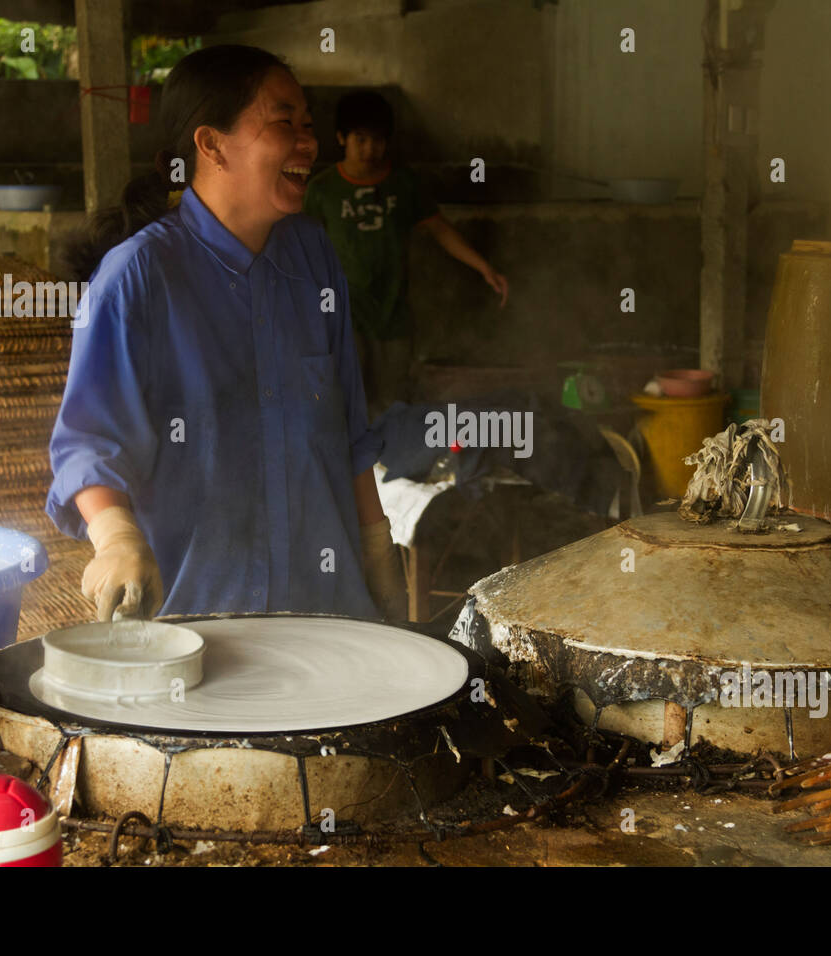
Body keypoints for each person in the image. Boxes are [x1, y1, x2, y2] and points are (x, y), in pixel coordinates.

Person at [47, 46, 406, 623]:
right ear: (211, 145)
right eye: (284, 121)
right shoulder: (138, 277)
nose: (308, 143)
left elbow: (349, 428)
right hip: (200, 629)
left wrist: (375, 542)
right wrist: (115, 535)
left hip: (328, 618)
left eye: (308, 124)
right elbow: (87, 443)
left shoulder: (314, 257)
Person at [302, 91, 508, 416]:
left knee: (394, 400)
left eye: (379, 140)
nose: (371, 149)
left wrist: (484, 267)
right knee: (348, 396)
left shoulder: (404, 183)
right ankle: (353, 463)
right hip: (344, 309)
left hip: (394, 309)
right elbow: (302, 245)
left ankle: (394, 461)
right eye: (361, 139)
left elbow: (439, 229)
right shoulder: (322, 189)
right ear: (341, 138)